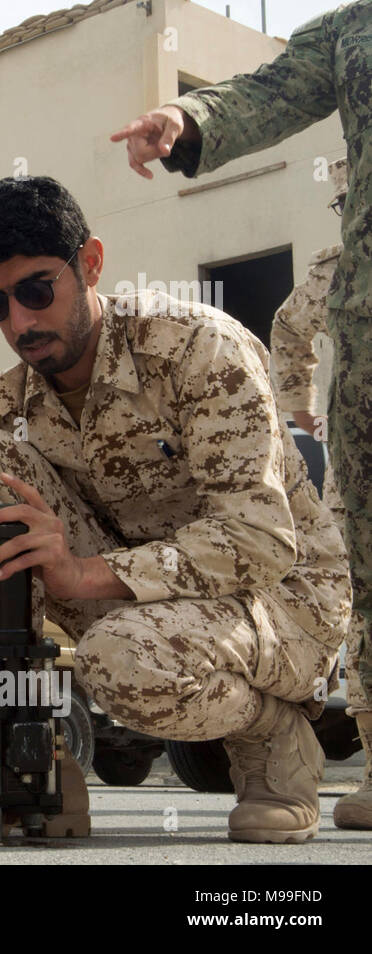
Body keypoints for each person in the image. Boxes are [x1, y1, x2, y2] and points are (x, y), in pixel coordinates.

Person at [0, 176, 350, 843]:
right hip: (140, 602)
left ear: (91, 263)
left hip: (282, 601)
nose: (20, 322)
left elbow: (261, 538)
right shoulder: (7, 405)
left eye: (36, 290)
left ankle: (273, 736)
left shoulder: (197, 349)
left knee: (118, 658)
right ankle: (30, 774)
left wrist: (85, 575)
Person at [111, 3, 372, 829]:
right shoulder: (354, 26)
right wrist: (185, 117)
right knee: (369, 550)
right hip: (369, 336)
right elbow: (272, 89)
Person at [270, 159, 371, 828]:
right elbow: (287, 330)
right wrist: (296, 411)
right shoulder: (336, 274)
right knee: (356, 616)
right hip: (354, 482)